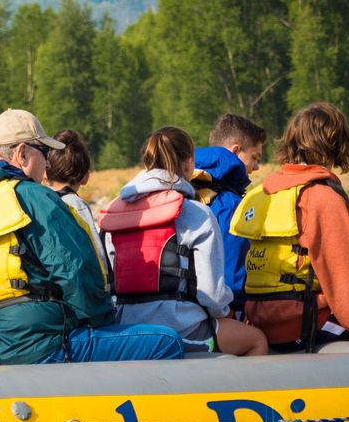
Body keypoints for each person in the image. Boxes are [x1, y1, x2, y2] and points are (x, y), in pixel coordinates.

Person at [0, 109, 184, 365]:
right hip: (47, 344)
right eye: (44, 153)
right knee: (167, 341)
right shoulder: (34, 198)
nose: (48, 165)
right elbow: (76, 271)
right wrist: (103, 321)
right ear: (22, 154)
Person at [97, 127, 267, 356]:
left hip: (128, 328)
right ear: (189, 163)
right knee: (256, 340)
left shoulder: (113, 214)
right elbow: (213, 296)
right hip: (181, 328)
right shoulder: (196, 213)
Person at [231, 102, 349, 351]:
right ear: (336, 143)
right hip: (306, 325)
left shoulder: (262, 193)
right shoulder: (322, 197)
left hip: (261, 322)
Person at [193, 113, 266, 310]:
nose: (257, 166)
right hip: (223, 311)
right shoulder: (229, 203)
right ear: (235, 151)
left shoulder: (185, 188)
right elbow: (230, 273)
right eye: (255, 157)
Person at [44, 128, 108, 283]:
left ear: (45, 174)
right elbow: (97, 255)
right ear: (85, 176)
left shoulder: (41, 202)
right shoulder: (77, 205)